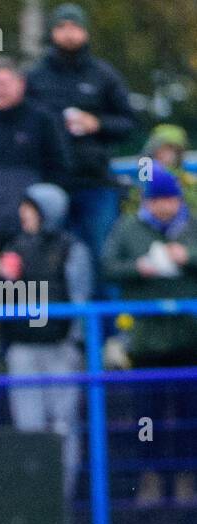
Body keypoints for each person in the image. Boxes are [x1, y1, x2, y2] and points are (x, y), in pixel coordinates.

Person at [100, 168, 197, 506]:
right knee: (147, 418)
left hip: (190, 339)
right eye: (157, 200)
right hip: (146, 342)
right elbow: (108, 266)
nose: (164, 207)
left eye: (169, 199)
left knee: (189, 417)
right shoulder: (128, 227)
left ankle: (187, 481)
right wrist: (138, 268)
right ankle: (151, 480)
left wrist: (188, 258)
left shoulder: (192, 225)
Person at [0, 183, 93, 498]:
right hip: (24, 349)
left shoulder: (72, 248)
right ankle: (35, 500)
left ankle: (60, 498)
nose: (24, 213)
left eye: (32, 207)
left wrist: (75, 343)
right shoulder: (15, 247)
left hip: (59, 349)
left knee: (63, 427)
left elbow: (80, 300)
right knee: (28, 428)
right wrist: (2, 280)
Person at [25, 3, 136, 263]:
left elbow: (130, 123)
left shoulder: (104, 75)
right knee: (51, 260)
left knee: (102, 257)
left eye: (75, 27)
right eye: (62, 27)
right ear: (52, 32)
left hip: (94, 183)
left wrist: (98, 123)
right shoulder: (35, 77)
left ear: (85, 32)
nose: (69, 33)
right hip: (49, 185)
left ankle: (110, 306)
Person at [0, 56, 70, 251]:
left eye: (1, 84)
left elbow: (59, 170)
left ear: (20, 83)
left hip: (30, 230)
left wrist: (40, 215)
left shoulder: (42, 120)